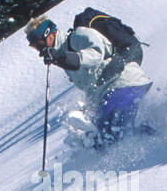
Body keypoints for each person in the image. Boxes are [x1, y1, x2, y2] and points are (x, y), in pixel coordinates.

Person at [25, 14, 153, 146]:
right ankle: (154, 139)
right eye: (34, 47)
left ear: (50, 34)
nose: (38, 50)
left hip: (124, 82)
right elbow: (91, 85)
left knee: (113, 130)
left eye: (38, 44)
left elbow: (96, 54)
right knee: (103, 140)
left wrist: (65, 58)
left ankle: (157, 144)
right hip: (109, 93)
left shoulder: (78, 36)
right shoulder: (63, 55)